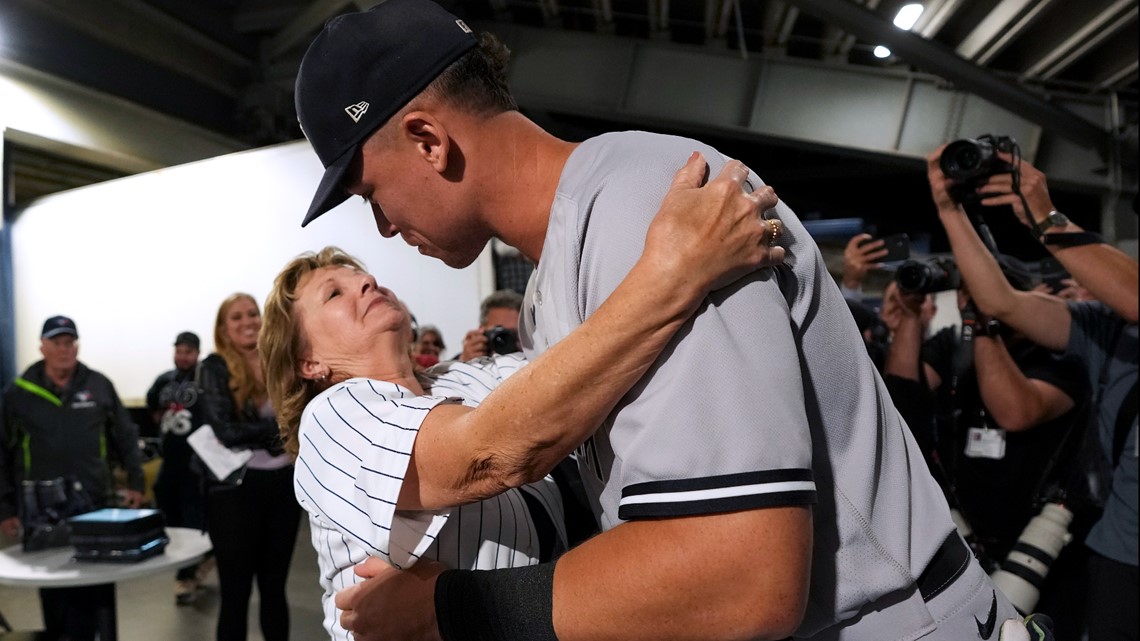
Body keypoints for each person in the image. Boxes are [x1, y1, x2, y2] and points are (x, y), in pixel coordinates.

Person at [292, 2, 1032, 639]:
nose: (383, 227)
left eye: (371, 193)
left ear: (428, 140)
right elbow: (500, 447)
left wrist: (445, 611)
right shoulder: (567, 280)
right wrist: (662, 282)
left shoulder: (648, 205)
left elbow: (740, 575)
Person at [927, 147, 1137, 641]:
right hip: (1123, 551)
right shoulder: (1109, 330)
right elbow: (1000, 302)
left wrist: (1046, 217)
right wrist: (949, 209)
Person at [0, 315, 145, 641]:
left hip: (95, 506)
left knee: (98, 592)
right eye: (57, 343)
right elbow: (2, 455)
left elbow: (125, 437)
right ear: (42, 347)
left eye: (70, 343)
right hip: (42, 514)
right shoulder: (19, 393)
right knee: (56, 594)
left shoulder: (98, 385)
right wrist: (6, 509)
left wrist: (136, 483)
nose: (64, 349)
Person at [199, 294, 302, 641]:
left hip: (283, 485)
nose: (247, 321)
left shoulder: (279, 360)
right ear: (223, 329)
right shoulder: (214, 368)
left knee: (274, 587)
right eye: (236, 317)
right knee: (235, 591)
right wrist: (280, 431)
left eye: (252, 313)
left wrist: (273, 432)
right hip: (235, 491)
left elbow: (301, 413)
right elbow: (226, 432)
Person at [146, 330, 213, 605]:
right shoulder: (165, 380)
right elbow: (152, 404)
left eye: (188, 352)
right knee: (167, 509)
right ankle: (196, 561)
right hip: (170, 459)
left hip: (196, 461)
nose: (182, 357)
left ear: (197, 353)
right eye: (179, 351)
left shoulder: (206, 380)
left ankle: (187, 575)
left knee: (191, 516)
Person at [457, 289, 523, 360]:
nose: (507, 340)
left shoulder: (529, 360)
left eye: (515, 333)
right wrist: (466, 362)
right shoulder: (469, 360)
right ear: (481, 331)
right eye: (501, 332)